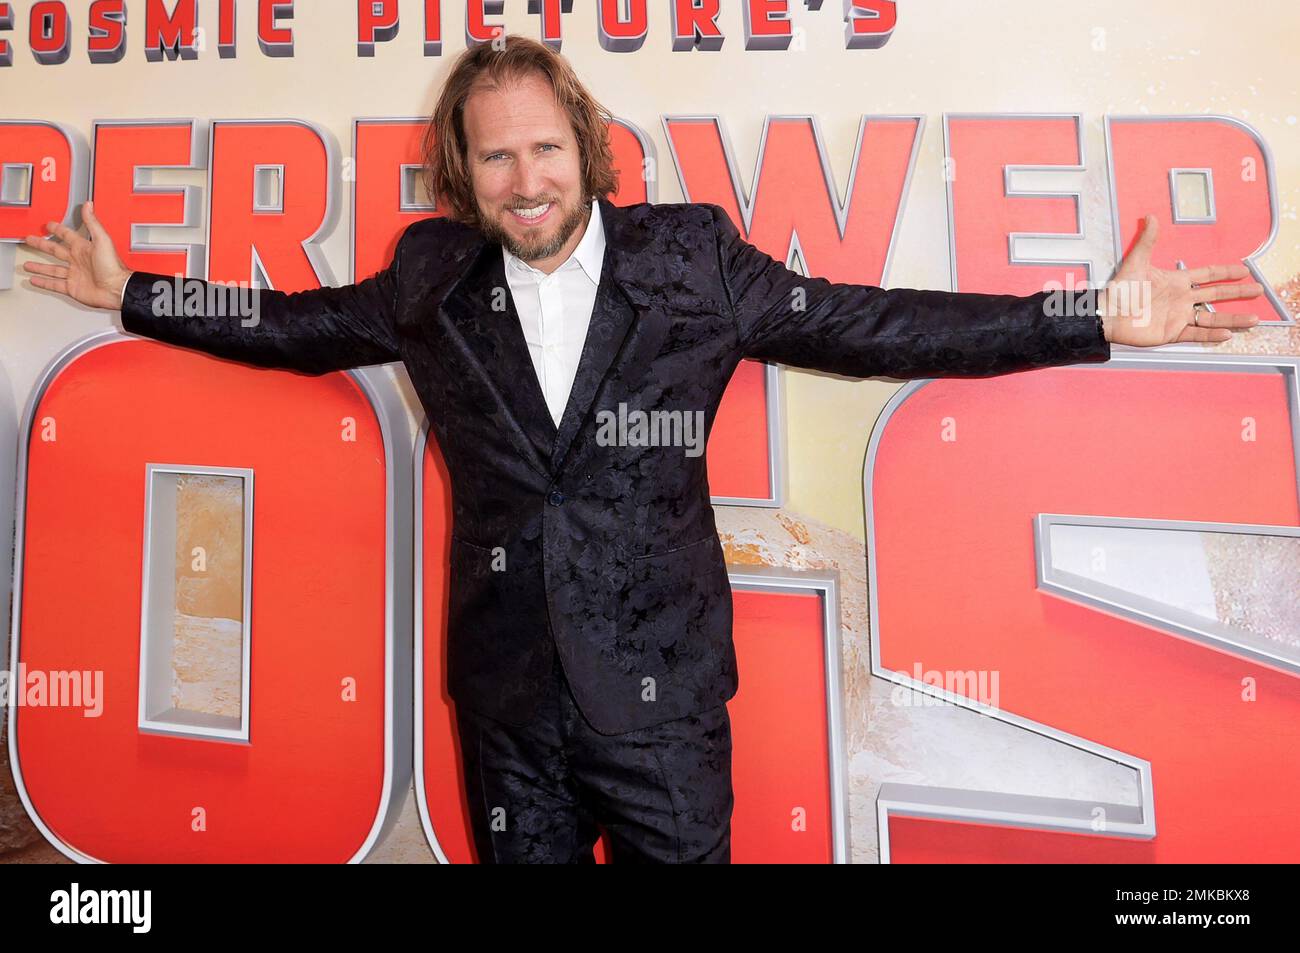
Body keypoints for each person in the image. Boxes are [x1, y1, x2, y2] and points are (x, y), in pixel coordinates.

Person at [20, 36, 1262, 864]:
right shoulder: (429, 275)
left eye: (544, 148)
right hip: (509, 704)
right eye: (495, 154)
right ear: (464, 165)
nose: (524, 179)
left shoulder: (692, 261)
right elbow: (288, 328)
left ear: (586, 145)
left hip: (660, 706)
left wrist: (1092, 314)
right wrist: (128, 288)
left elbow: (873, 322)